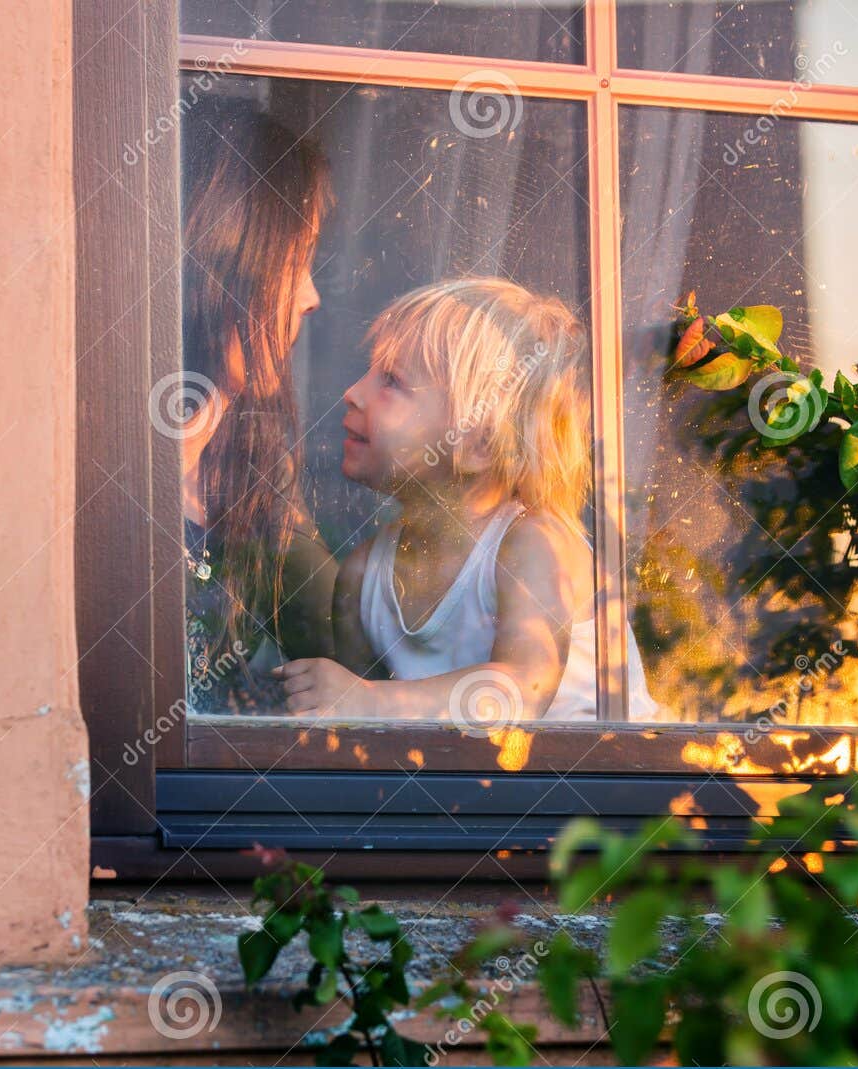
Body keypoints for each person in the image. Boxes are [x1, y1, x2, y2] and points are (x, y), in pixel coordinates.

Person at [273, 277, 659, 724]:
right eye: (369, 371)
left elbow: (523, 689)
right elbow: (370, 741)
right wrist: (351, 704)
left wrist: (369, 699)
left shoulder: (532, 545)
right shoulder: (361, 579)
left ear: (479, 443)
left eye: (392, 381)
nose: (353, 392)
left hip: (601, 788)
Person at [179, 96, 338, 714]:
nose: (311, 295)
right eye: (296, 262)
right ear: (223, 263)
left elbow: (333, 635)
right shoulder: (103, 450)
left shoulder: (246, 453)